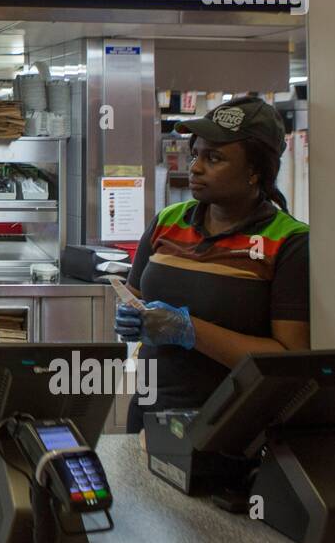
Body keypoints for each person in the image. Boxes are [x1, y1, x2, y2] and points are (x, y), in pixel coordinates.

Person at [115, 95, 309, 432]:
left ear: (255, 172)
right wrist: (130, 316)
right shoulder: (168, 222)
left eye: (214, 158)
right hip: (150, 416)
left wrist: (189, 330)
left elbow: (288, 360)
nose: (195, 167)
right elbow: (135, 295)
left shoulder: (289, 242)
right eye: (195, 155)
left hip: (232, 428)